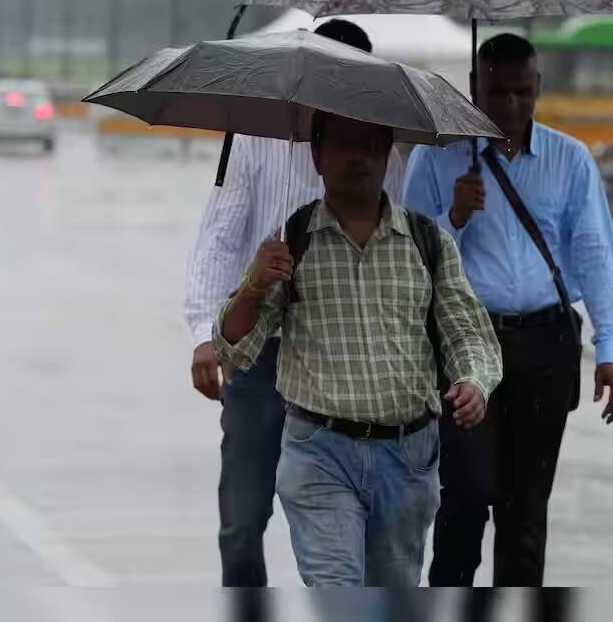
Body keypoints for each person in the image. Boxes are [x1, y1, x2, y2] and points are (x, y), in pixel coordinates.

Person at [214, 113, 502, 587]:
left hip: (408, 459)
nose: (361, 158)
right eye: (347, 145)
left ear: (388, 153)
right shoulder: (293, 241)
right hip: (319, 454)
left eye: (373, 145)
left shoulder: (429, 242)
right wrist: (252, 286)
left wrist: (473, 381)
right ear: (318, 156)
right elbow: (234, 350)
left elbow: (467, 333)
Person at [183, 19, 407, 588]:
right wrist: (203, 336)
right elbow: (219, 239)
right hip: (261, 358)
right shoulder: (253, 139)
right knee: (244, 517)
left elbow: (404, 248)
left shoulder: (387, 151)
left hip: (349, 359)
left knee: (349, 519)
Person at [402, 33, 613, 587]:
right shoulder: (436, 157)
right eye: (498, 92)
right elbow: (406, 256)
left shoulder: (570, 160)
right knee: (466, 495)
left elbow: (596, 254)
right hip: (465, 344)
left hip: (545, 342)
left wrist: (612, 349)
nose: (510, 106)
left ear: (538, 89)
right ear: (474, 89)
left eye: (522, 93)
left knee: (526, 508)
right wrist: (452, 214)